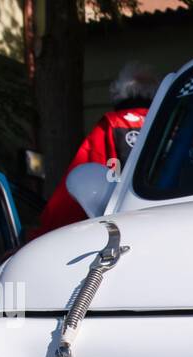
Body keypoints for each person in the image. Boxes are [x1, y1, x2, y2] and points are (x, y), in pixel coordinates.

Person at [28, 63, 159, 240]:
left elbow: (75, 191)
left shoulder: (113, 125)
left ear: (118, 94)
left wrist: (39, 237)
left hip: (128, 228)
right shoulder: (174, 125)